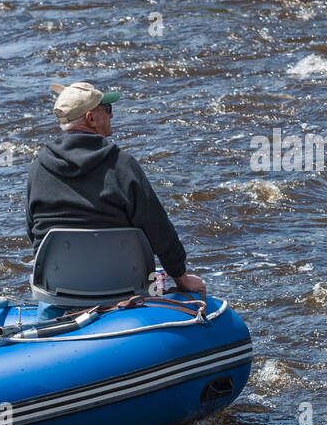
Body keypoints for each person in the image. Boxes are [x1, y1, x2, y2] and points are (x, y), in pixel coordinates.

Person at [26, 81, 206, 319]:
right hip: (123, 290)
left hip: (59, 292)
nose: (112, 116)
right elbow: (158, 229)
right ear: (90, 118)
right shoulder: (122, 165)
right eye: (107, 110)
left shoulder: (38, 168)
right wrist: (181, 278)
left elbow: (33, 231)